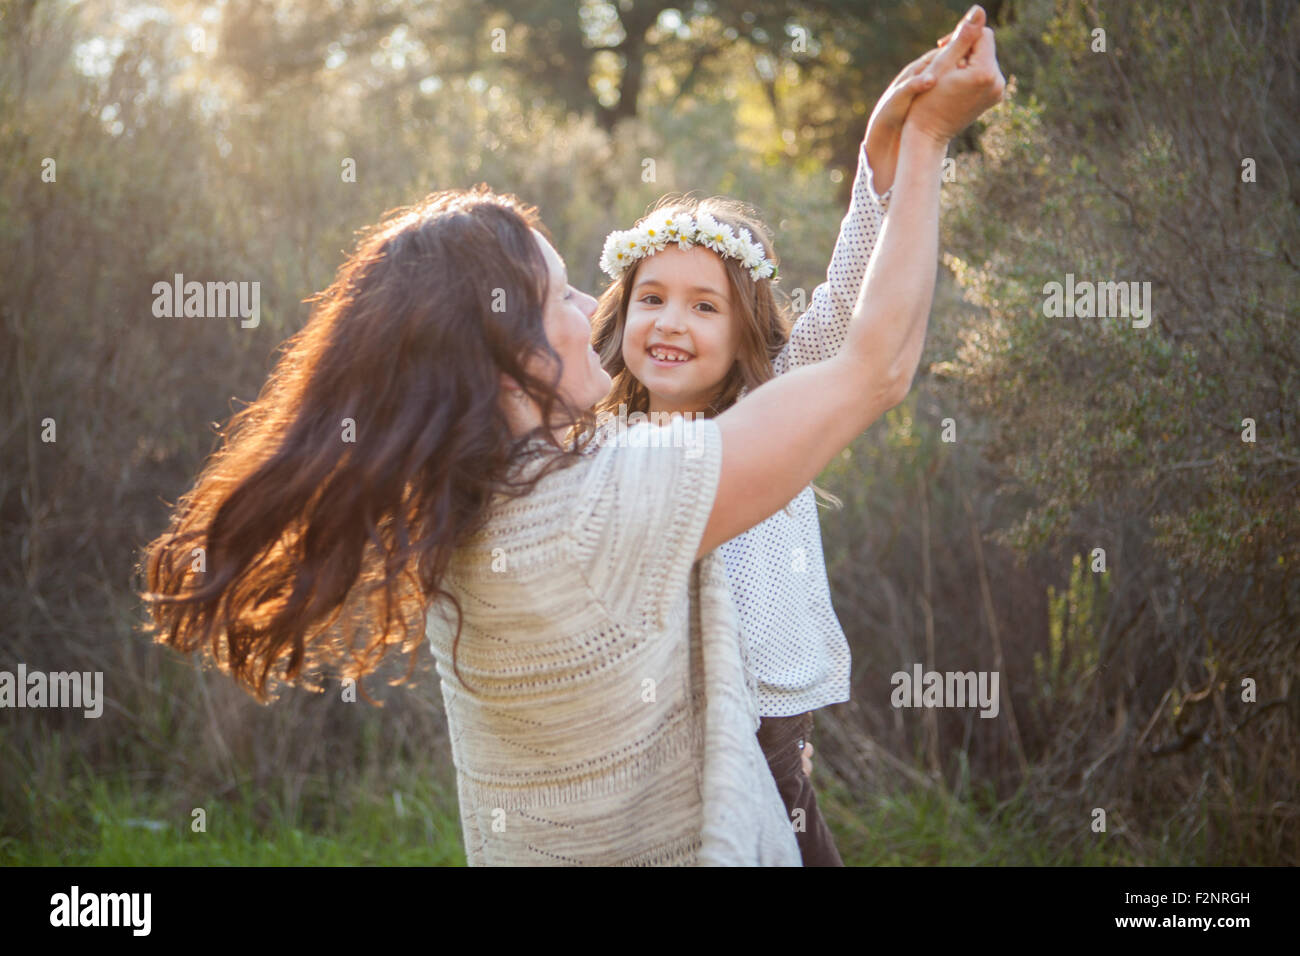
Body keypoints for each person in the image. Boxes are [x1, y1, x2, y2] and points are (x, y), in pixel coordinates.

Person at [139, 5, 1004, 865]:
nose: (598, 311)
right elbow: (873, 367)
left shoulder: (477, 503)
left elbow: (833, 336)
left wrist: (879, 167)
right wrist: (927, 139)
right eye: (564, 298)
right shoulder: (605, 494)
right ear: (506, 356)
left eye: (703, 305)